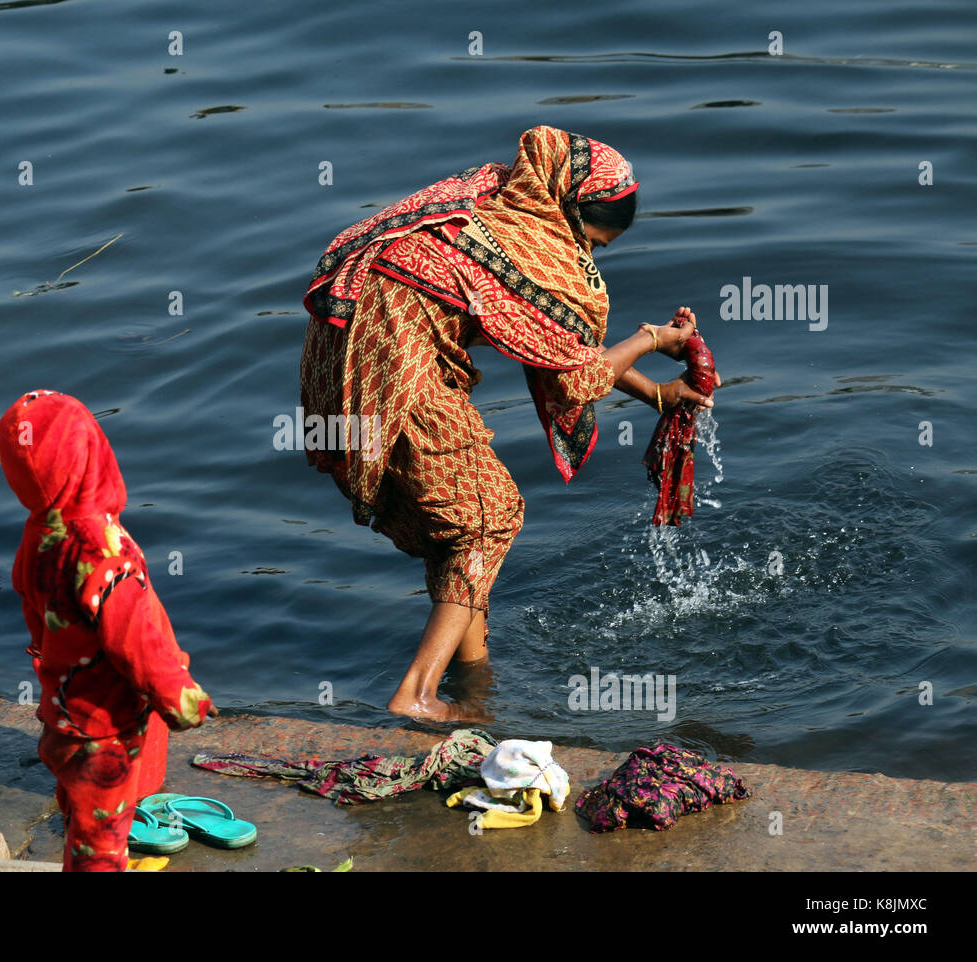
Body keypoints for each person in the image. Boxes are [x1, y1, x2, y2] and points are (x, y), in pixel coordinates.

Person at [299, 125, 720, 722]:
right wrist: (652, 339)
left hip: (347, 357)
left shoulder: (494, 197)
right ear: (570, 214)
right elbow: (576, 375)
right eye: (594, 244)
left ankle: (473, 679)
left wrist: (656, 393)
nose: (590, 258)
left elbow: (552, 342)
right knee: (490, 518)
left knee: (457, 523)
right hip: (395, 368)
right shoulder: (525, 243)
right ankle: (416, 697)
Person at [0, 389, 213, 871]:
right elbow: (135, 640)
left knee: (80, 811)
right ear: (92, 451)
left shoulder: (39, 533)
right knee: (102, 838)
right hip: (105, 723)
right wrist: (183, 700)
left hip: (63, 708)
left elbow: (35, 612)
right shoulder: (103, 549)